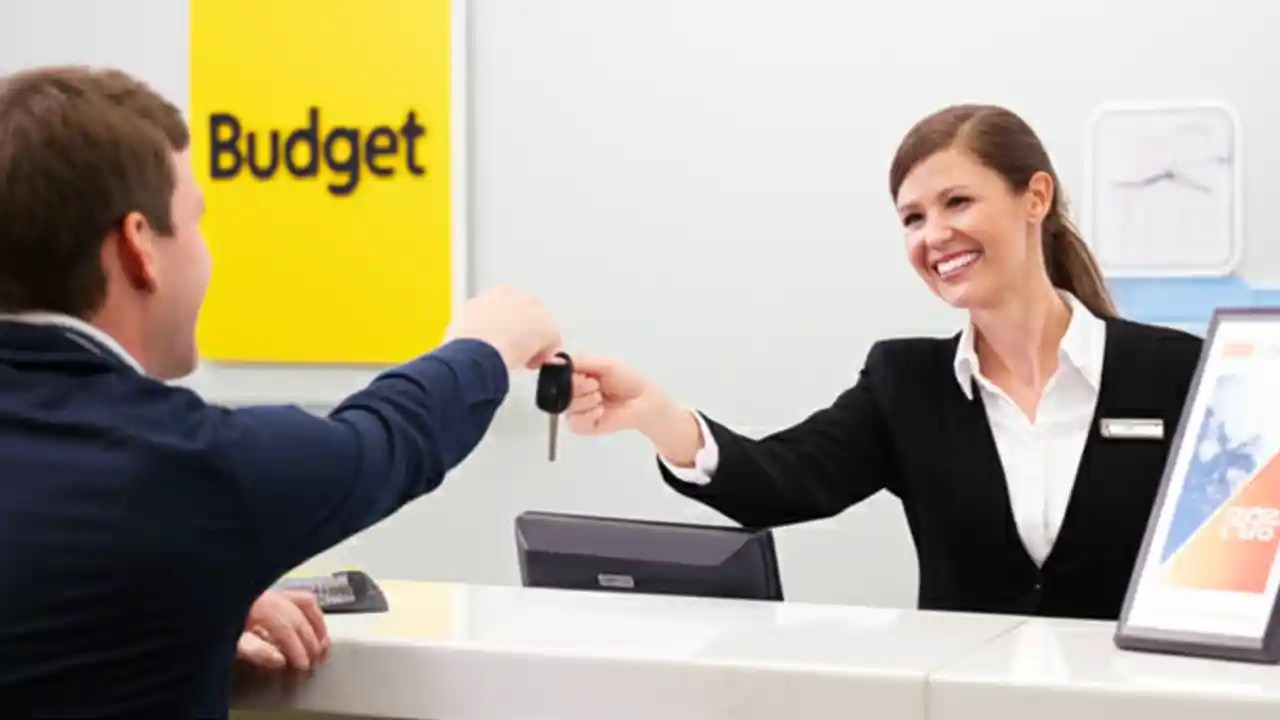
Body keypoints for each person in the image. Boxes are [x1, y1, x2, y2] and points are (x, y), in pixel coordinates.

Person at [0, 66, 560, 717]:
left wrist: (186, 587)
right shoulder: (185, 471)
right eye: (197, 222)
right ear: (138, 249)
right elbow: (386, 439)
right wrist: (486, 345)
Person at [565, 104, 1204, 621]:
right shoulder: (908, 384)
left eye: (958, 202)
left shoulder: (1176, 371)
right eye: (912, 218)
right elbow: (780, 479)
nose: (932, 236)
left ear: (1035, 197)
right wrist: (656, 415)